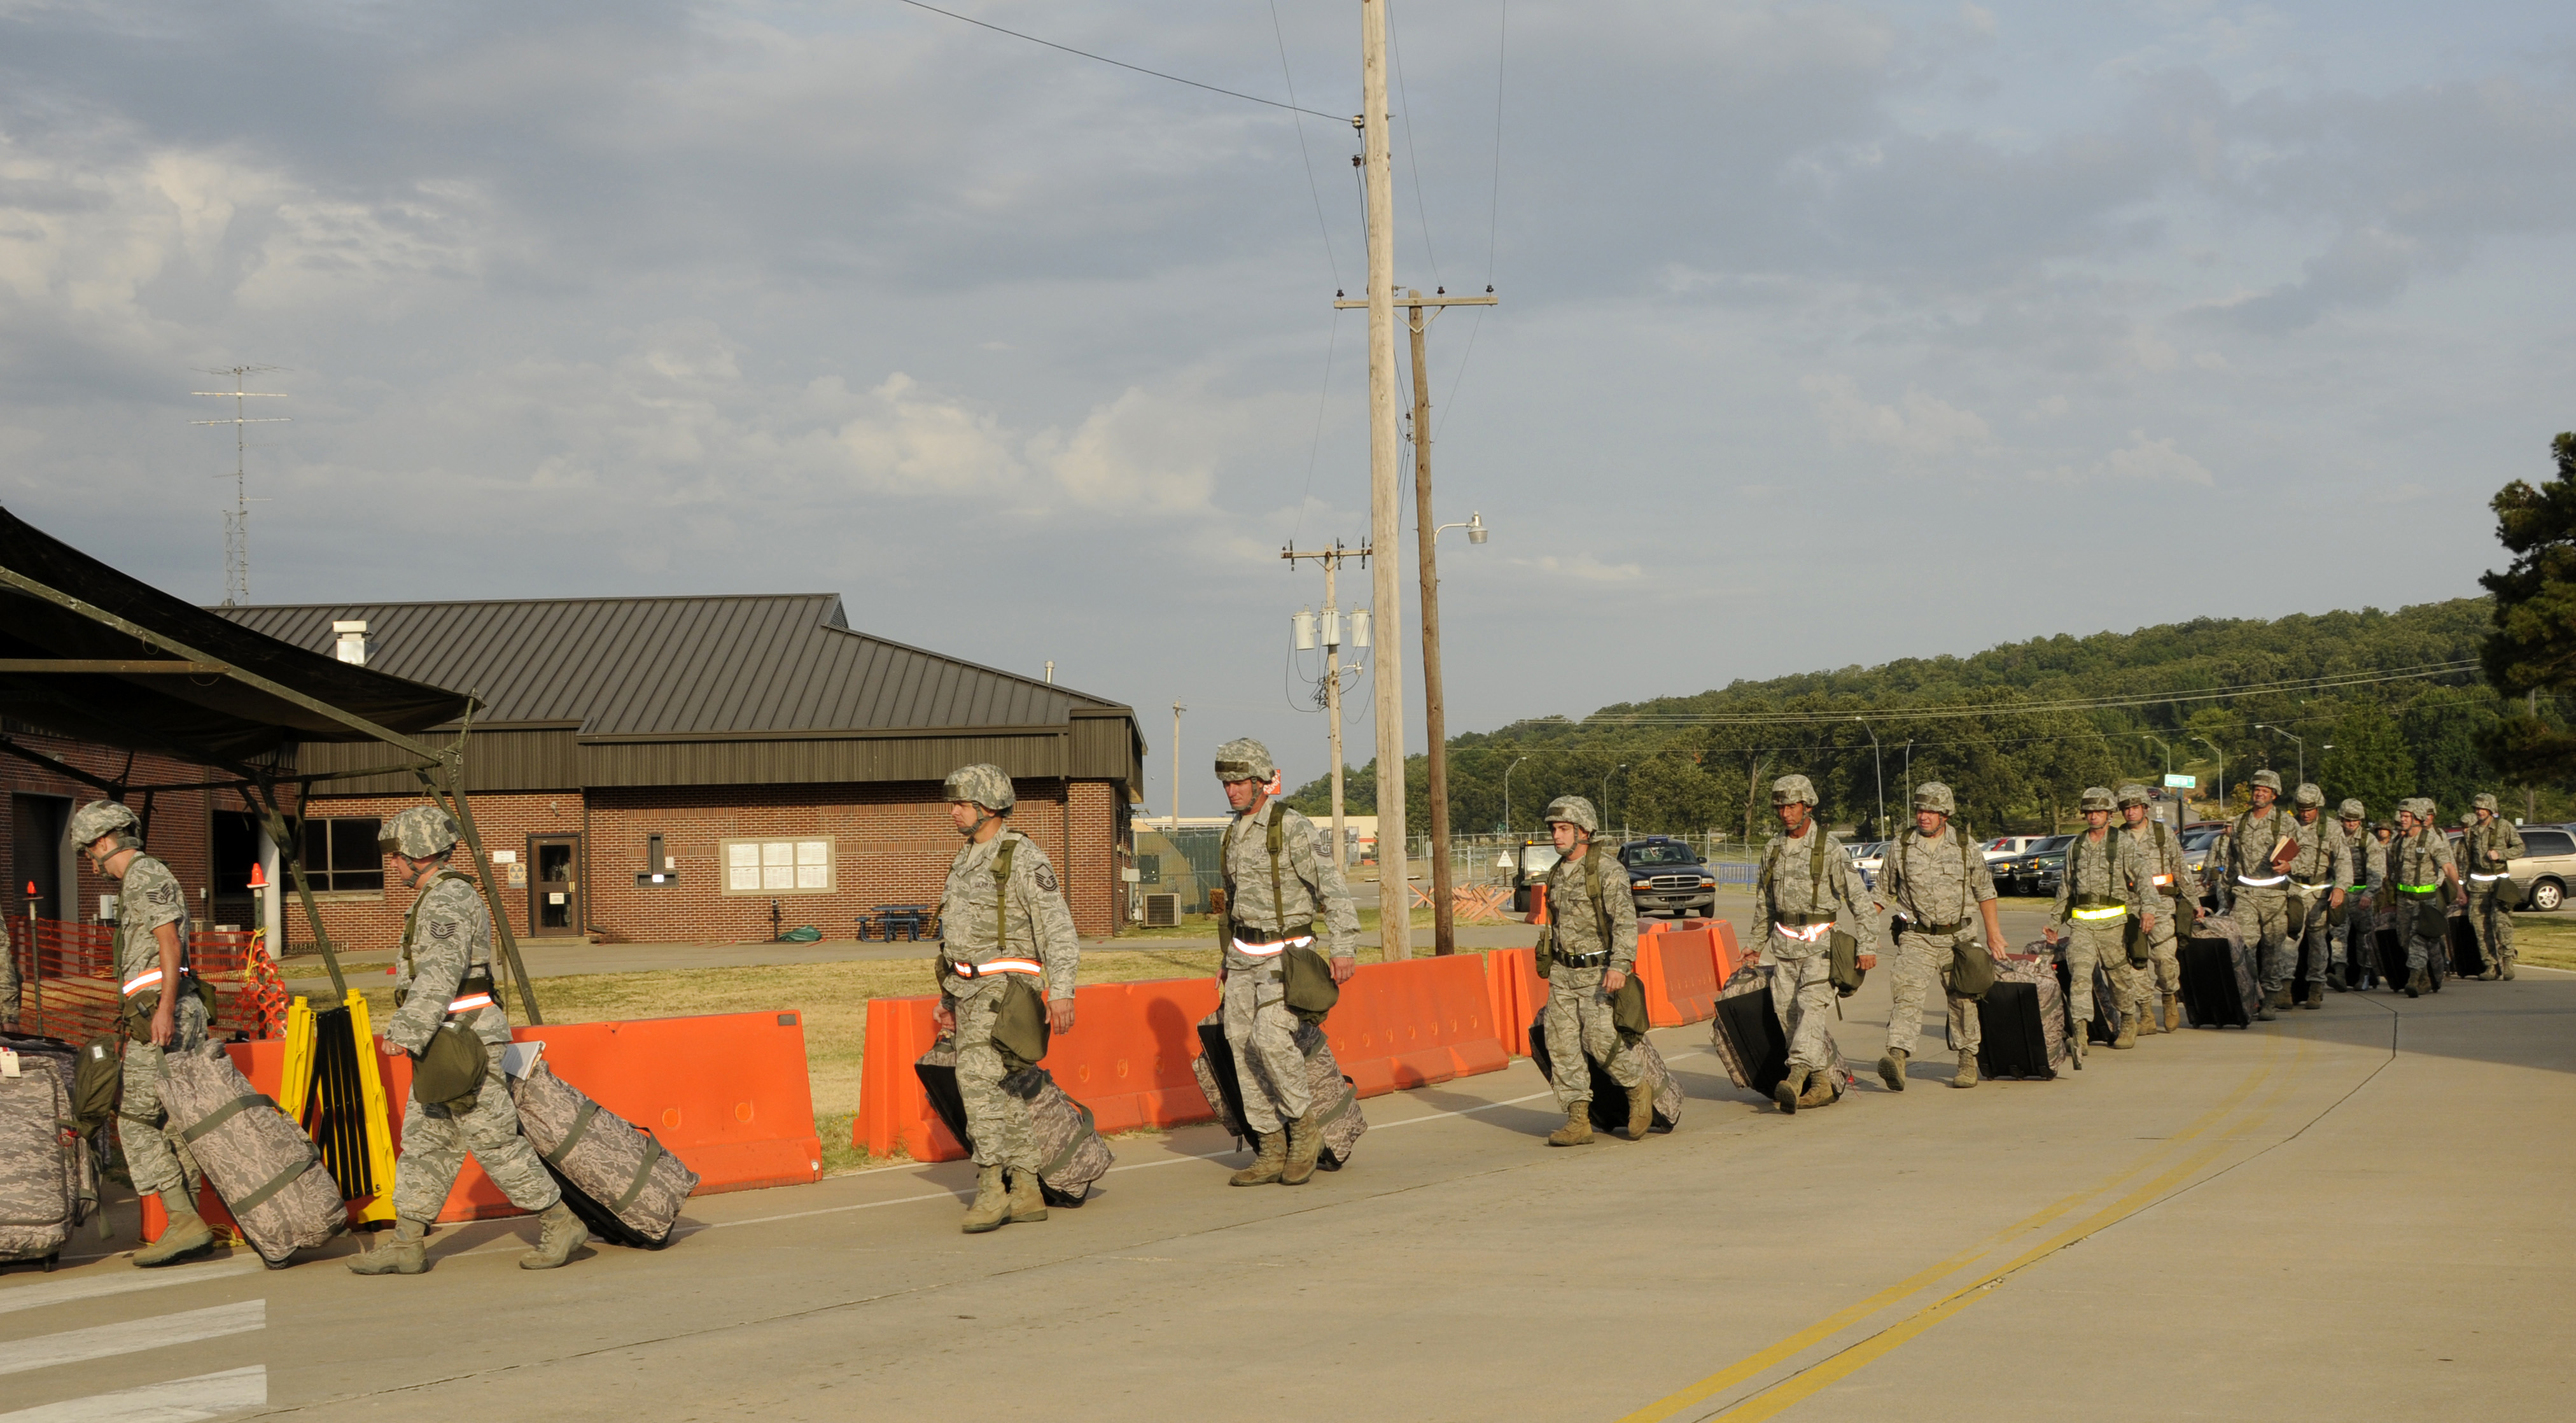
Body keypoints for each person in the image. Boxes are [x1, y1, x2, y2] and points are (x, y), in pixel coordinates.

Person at [349, 806, 585, 1275]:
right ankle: (407, 1242)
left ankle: (561, 1222)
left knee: (494, 1141)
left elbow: (439, 973)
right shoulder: (435, 896)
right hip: (445, 1042)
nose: (391, 863)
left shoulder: (447, 900)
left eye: (396, 854)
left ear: (418, 852)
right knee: (425, 1140)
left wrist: (405, 1031)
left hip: (465, 1042)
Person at [928, 764, 1080, 1233]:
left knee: (975, 1081)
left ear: (988, 807)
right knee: (1005, 1091)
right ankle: (1028, 1189)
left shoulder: (1023, 858)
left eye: (961, 804)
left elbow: (1057, 929)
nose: (953, 812)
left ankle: (992, 1188)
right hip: (969, 991)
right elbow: (956, 937)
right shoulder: (965, 859)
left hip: (1007, 993)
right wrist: (949, 999)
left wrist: (1063, 992)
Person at [67, 801, 214, 1268]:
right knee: (171, 1121)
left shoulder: (144, 875)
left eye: (92, 854)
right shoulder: (142, 878)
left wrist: (165, 1009)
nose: (94, 865)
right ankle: (188, 1220)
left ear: (106, 840)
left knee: (134, 1120)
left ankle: (183, 1219)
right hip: (153, 1012)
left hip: (161, 1013)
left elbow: (169, 942)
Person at [1213, 738, 1357, 1185]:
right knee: (1240, 1046)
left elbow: (1329, 885)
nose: (1232, 790)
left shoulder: (1290, 827)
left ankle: (1303, 1130)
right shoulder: (1232, 832)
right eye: (1227, 783)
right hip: (1242, 958)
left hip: (1287, 957)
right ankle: (1270, 1143)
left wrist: (1344, 944)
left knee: (1270, 1038)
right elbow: (1233, 902)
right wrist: (1226, 957)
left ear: (1262, 783)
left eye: (1239, 782)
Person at [1749, 774, 1877, 1114]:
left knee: (1810, 1007)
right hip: (1784, 947)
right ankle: (1821, 1083)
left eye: (1792, 806)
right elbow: (1766, 903)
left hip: (1821, 946)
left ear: (1807, 806)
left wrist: (1867, 946)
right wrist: (1754, 945)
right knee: (1786, 1013)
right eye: (1780, 807)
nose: (1785, 814)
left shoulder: (1829, 848)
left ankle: (1796, 1076)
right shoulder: (1773, 848)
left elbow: (1859, 900)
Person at [1872, 783, 2005, 1090]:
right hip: (1916, 937)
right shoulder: (1902, 845)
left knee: (1964, 1000)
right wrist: (1865, 930)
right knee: (1906, 995)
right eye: (1920, 810)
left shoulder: (1964, 845)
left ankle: (1967, 1059)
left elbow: (1985, 891)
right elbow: (1882, 893)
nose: (1924, 816)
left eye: (1931, 811)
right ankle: (1897, 1057)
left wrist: (1994, 935)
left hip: (1958, 938)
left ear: (1945, 814)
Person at [1531, 794, 1648, 1144]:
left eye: (1564, 829)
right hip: (1563, 975)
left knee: (1599, 1042)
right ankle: (1578, 1119)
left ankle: (1637, 1090)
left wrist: (1620, 965)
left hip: (1599, 974)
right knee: (1561, 1044)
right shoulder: (1556, 873)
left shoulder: (1608, 871)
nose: (1556, 836)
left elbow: (1626, 922)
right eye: (1554, 829)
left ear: (1584, 831)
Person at [2043, 788, 2151, 1057]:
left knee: (2119, 978)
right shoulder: (2076, 846)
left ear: (2110, 815)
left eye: (2099, 812)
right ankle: (2081, 1033)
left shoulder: (2122, 843)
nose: (2093, 817)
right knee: (2080, 976)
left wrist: (2149, 908)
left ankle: (2128, 1020)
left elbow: (2143, 877)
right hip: (2082, 926)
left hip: (2114, 925)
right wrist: (2055, 922)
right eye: (2089, 812)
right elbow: (2065, 887)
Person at [2214, 769, 2300, 1020]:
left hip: (2275, 894)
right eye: (2256, 790)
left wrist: (2291, 866)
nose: (2259, 794)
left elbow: (2306, 852)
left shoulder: (2286, 822)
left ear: (2274, 795)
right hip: (2247, 893)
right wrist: (2226, 893)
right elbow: (2230, 861)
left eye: (2265, 791)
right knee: (2245, 947)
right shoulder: (2239, 822)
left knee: (2273, 949)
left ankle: (2271, 998)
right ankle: (2253, 994)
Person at [2113, 785, 2195, 1034]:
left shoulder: (2162, 834)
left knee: (2164, 959)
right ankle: (2146, 1014)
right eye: (2126, 809)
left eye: (2135, 807)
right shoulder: (2117, 838)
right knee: (2136, 962)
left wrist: (2195, 902)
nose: (2130, 813)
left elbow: (2180, 868)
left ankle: (2169, 997)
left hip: (2161, 905)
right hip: (2132, 908)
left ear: (2145, 808)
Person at [2281, 784, 2352, 1009]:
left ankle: (2316, 988)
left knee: (2318, 942)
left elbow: (2343, 860)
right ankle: (2285, 989)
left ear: (2318, 806)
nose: (2305, 813)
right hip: (2294, 889)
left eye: (2310, 808)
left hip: (2320, 892)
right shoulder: (2289, 825)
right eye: (2301, 808)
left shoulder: (2330, 828)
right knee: (2289, 941)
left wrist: (2341, 888)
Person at [2386, 799, 2459, 999]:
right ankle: (2426, 977)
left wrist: (2458, 890)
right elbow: (2393, 871)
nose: (2402, 819)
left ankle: (2414, 978)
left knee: (2418, 939)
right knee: (2404, 940)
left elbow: (2448, 867)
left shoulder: (2431, 840)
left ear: (2417, 819)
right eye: (2401, 816)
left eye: (2407, 816)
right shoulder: (2399, 843)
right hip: (2404, 900)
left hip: (2425, 899)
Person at [2459, 792, 2525, 981]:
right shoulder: (2471, 832)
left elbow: (2520, 847)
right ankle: (2490, 965)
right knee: (2480, 927)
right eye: (2477, 808)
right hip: (2478, 885)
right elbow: (2466, 862)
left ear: (2491, 809)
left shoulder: (2504, 827)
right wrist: (2462, 888)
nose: (2479, 812)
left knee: (2502, 924)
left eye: (2483, 808)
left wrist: (2501, 854)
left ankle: (2508, 962)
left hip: (2499, 884)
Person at [2334, 799, 2382, 990]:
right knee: (2338, 935)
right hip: (2341, 894)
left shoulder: (2368, 840)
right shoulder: (2335, 836)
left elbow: (2377, 871)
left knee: (2364, 938)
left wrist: (2369, 894)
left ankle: (2365, 973)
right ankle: (2338, 973)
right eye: (2347, 820)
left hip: (2362, 894)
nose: (2351, 824)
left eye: (2355, 821)